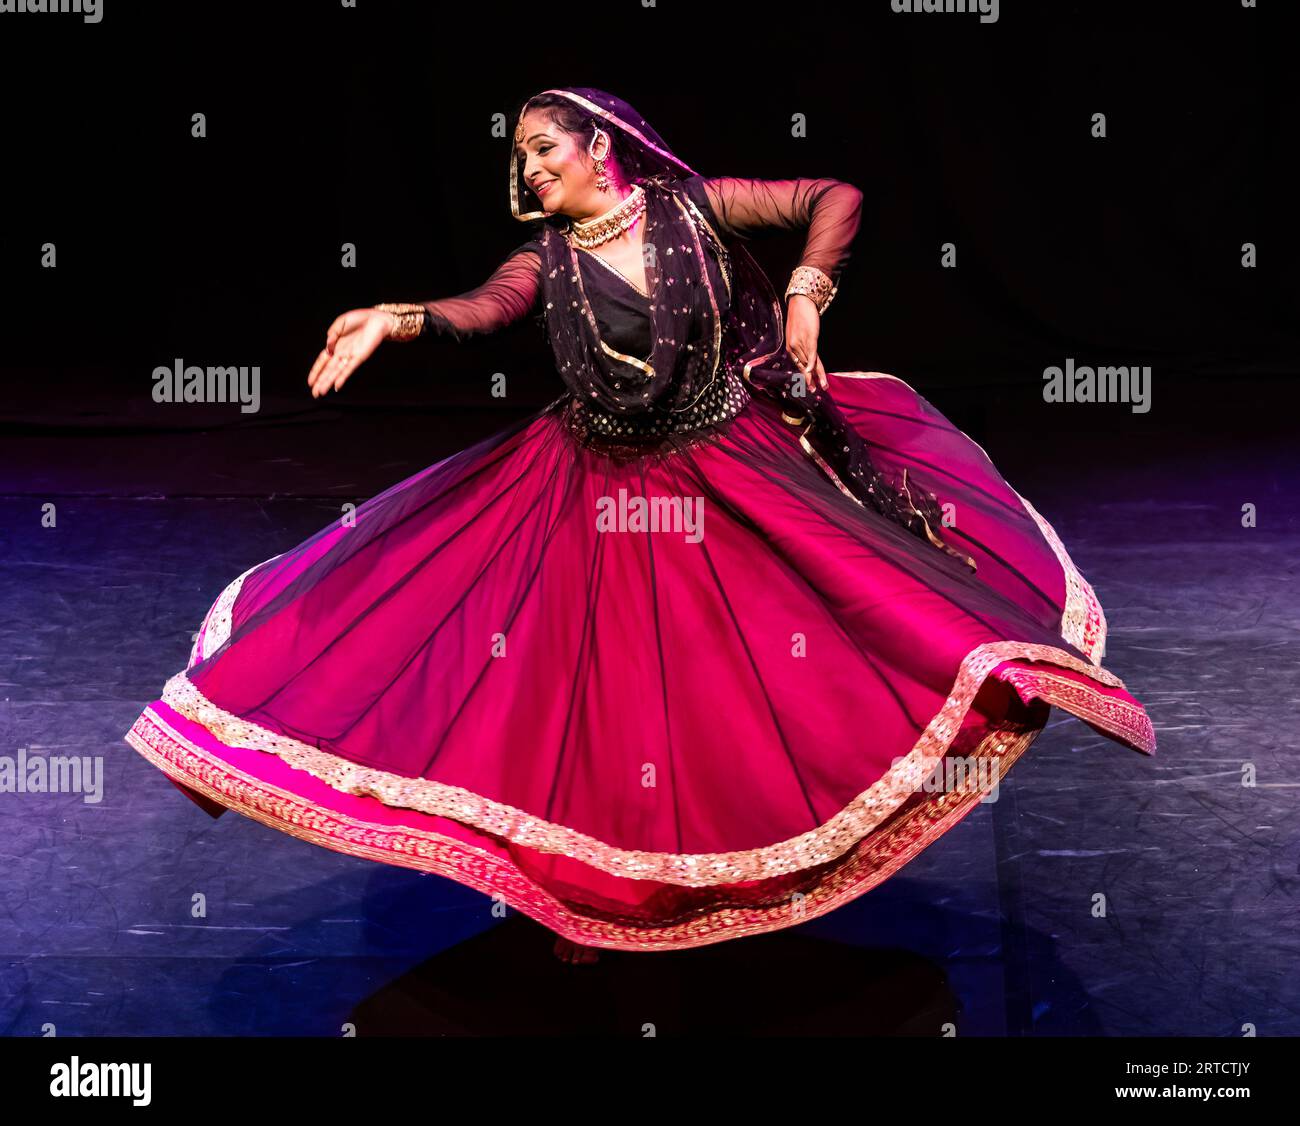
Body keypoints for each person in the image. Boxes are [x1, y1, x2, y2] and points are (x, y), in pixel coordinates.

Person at [125, 87, 1155, 965]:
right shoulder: (549, 259)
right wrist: (398, 318)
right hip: (588, 482)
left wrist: (805, 297)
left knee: (797, 646)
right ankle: (605, 890)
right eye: (518, 158)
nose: (528, 171)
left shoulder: (695, 210)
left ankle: (960, 695)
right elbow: (487, 304)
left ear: (599, 146)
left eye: (541, 149)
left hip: (727, 462)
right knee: (595, 697)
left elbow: (832, 197)